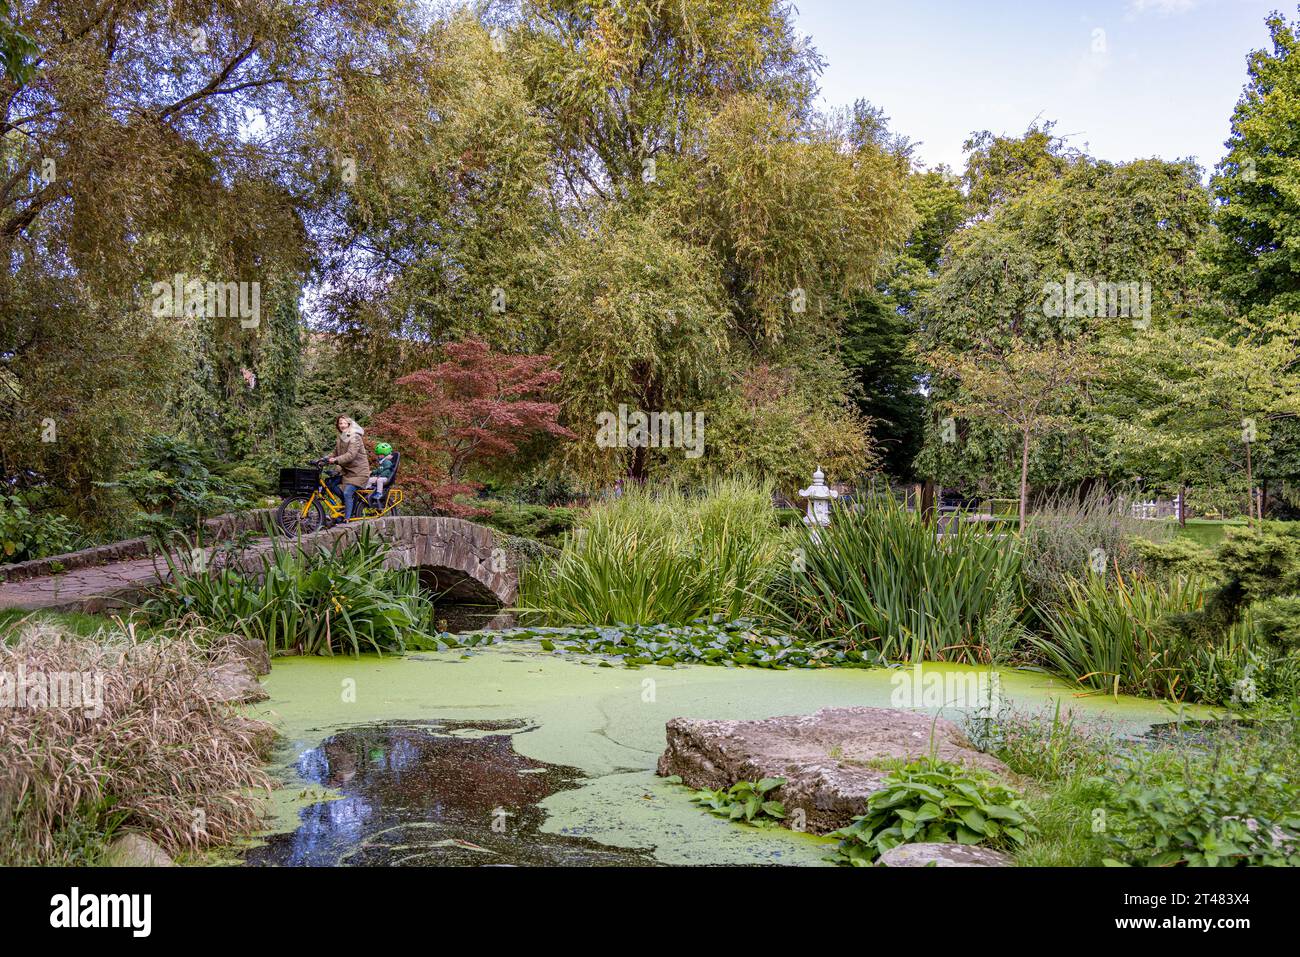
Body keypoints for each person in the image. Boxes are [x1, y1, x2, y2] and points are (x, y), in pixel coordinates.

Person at [326, 415, 370, 520]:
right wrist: (323, 459)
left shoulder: (355, 437)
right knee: (329, 483)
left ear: (349, 424)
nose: (342, 425)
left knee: (347, 493)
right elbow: (334, 453)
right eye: (340, 423)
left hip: (359, 473)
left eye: (344, 423)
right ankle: (349, 503)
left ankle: (347, 519)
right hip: (347, 473)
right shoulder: (341, 437)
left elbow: (351, 455)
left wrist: (336, 460)